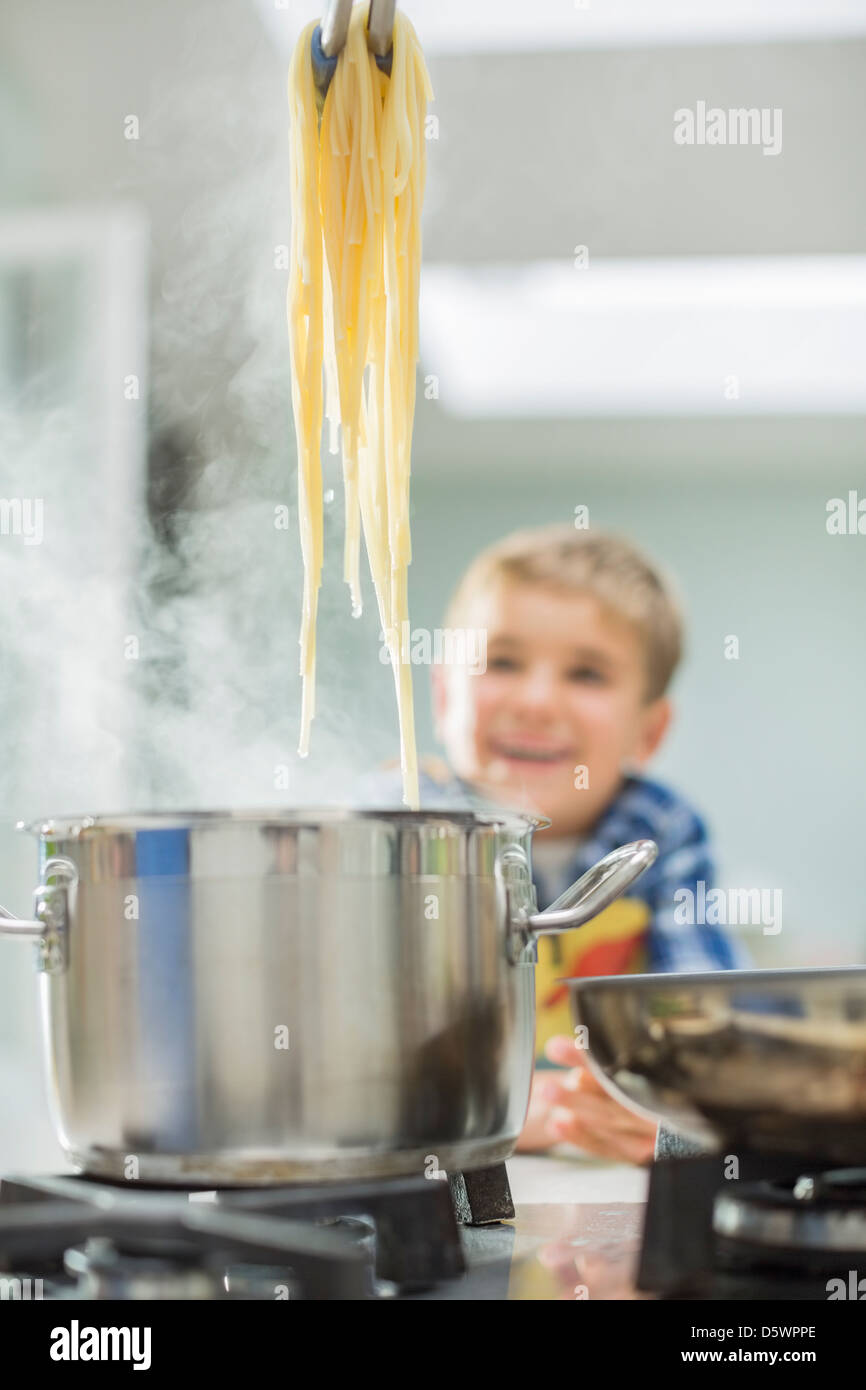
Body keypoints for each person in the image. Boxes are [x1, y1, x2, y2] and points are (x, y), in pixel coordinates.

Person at [368, 524, 747, 1163]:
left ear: (648, 733)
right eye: (503, 662)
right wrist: (501, 1101)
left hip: (596, 1171)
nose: (536, 701)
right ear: (441, 694)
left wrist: (671, 1125)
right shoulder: (391, 822)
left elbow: (714, 1033)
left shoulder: (663, 834)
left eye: (587, 674)